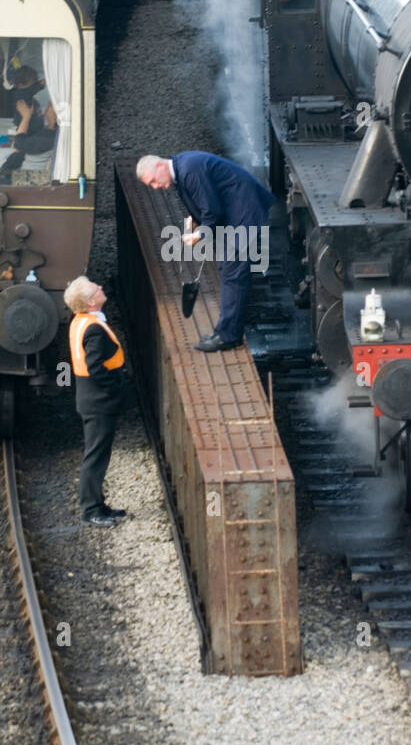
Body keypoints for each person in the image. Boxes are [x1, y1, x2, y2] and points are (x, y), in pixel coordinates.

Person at [136, 150, 274, 352]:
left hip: (243, 213)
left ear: (159, 167)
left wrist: (199, 234)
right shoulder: (181, 167)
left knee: (233, 274)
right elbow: (203, 197)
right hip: (235, 211)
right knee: (228, 271)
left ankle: (229, 336)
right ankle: (226, 330)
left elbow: (213, 210)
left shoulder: (189, 170)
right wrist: (195, 219)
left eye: (154, 181)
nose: (157, 187)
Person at [65, 277, 129, 526]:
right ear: (91, 301)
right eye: (96, 288)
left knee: (97, 453)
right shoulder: (93, 329)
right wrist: (115, 388)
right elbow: (94, 367)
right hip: (99, 401)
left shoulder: (81, 321)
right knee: (95, 457)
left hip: (91, 399)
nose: (101, 288)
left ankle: (99, 505)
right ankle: (91, 510)